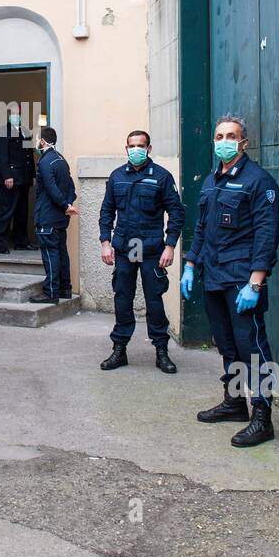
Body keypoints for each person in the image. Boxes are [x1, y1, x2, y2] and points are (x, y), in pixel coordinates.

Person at [180, 114, 279, 448]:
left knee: (252, 347)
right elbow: (202, 227)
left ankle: (262, 417)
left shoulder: (259, 181)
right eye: (219, 135)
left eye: (231, 136)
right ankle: (235, 403)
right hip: (213, 275)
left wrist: (255, 283)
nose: (224, 141)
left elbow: (267, 235)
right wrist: (190, 264)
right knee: (226, 344)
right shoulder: (211, 180)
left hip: (241, 279)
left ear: (243, 143)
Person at [98, 130, 184, 374]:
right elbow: (106, 212)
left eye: (141, 145)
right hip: (125, 249)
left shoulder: (161, 177)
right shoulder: (116, 177)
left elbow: (176, 213)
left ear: (149, 148)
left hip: (151, 250)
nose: (136, 149)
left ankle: (161, 351)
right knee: (122, 299)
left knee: (154, 301)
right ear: (126, 148)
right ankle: (119, 350)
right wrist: (105, 242)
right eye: (132, 145)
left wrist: (170, 245)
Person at [29, 126, 77, 303]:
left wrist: (65, 205)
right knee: (61, 252)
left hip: (47, 216)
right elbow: (71, 187)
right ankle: (65, 288)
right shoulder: (61, 160)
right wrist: (68, 204)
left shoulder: (44, 161)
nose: (35, 142)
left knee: (50, 253)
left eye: (37, 139)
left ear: (42, 141)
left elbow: (51, 188)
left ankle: (50, 292)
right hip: (60, 217)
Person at [0, 111, 36, 252]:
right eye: (14, 113)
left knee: (22, 212)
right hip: (11, 178)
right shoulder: (3, 131)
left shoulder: (25, 131)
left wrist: (33, 175)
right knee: (6, 211)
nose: (16, 116)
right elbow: (2, 155)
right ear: (9, 115)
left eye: (19, 113)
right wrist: (7, 176)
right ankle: (0, 243)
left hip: (24, 178)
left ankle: (21, 242)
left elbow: (29, 155)